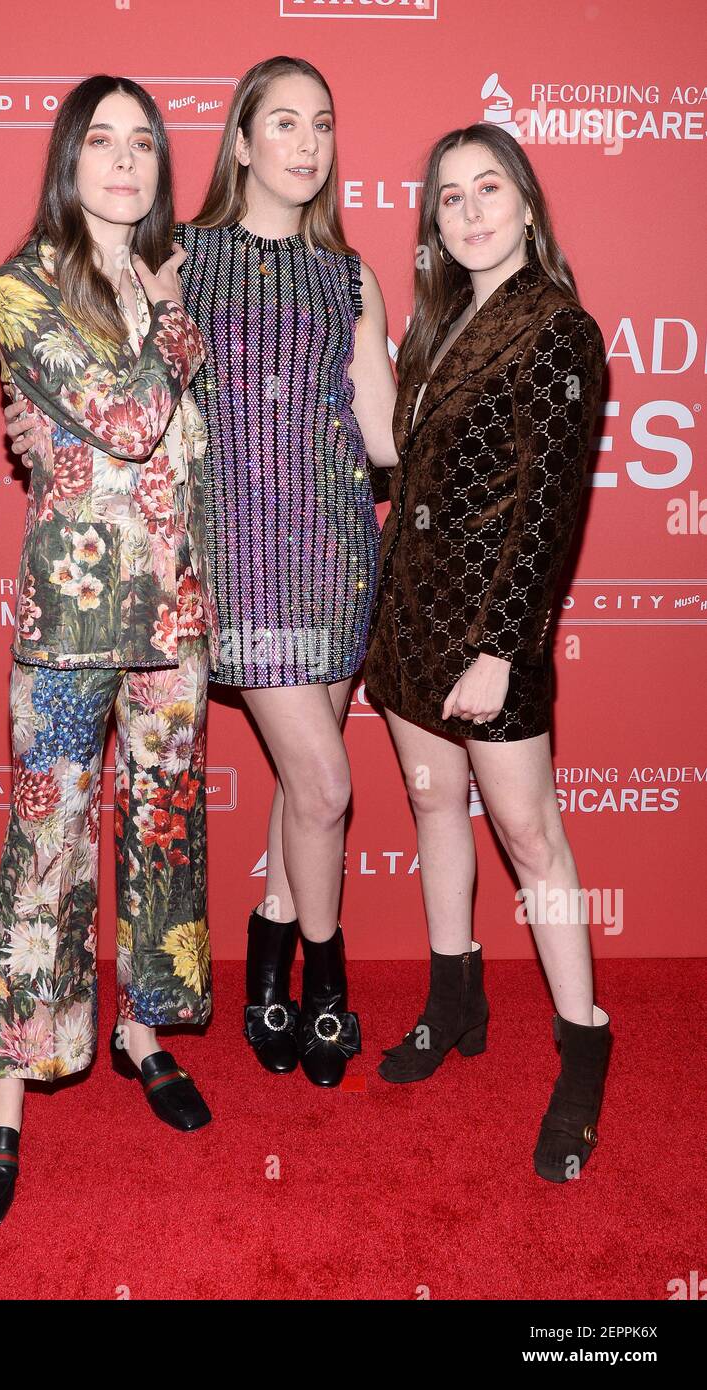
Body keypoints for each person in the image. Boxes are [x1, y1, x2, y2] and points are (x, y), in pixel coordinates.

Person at [6, 56, 399, 1089]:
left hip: (334, 555)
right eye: (282, 123)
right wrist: (38, 422)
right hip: (232, 559)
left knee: (299, 790)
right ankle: (324, 988)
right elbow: (117, 373)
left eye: (321, 122)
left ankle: (268, 949)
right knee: (323, 782)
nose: (305, 143)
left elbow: (382, 431)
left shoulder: (352, 276)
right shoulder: (180, 257)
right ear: (239, 141)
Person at [0, 75, 218, 1227]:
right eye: (100, 141)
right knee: (45, 845)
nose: (124, 161)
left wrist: (164, 313)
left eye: (142, 143)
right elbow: (123, 416)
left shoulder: (175, 277)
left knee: (161, 828)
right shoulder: (15, 287)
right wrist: (161, 321)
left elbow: (182, 440)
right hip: (68, 625)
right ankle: (6, 1094)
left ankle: (139, 1028)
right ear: (69, 160)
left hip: (172, 615)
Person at [362, 124, 612, 1183]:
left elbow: (548, 517)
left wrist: (502, 653)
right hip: (409, 623)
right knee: (430, 807)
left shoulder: (556, 329)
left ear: (524, 202)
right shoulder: (434, 325)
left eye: (488, 189)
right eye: (449, 197)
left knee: (529, 834)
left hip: (486, 640)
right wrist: (359, 323)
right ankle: (452, 999)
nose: (468, 212)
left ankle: (582, 1043)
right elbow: (391, 460)